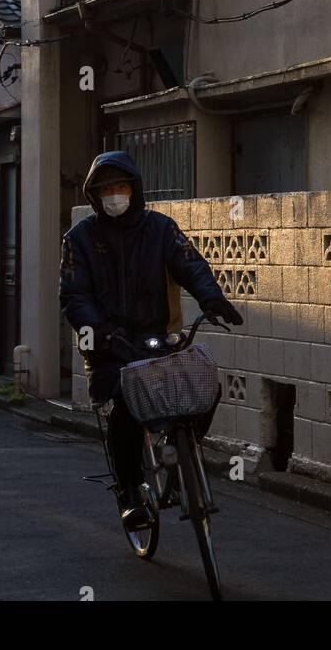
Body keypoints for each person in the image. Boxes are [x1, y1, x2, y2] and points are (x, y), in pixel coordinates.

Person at [59, 150, 243, 528]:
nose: (114, 194)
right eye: (106, 188)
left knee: (205, 385)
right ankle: (129, 490)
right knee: (126, 405)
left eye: (121, 186)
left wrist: (212, 297)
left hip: (160, 336)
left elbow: (189, 263)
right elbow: (74, 296)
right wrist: (104, 335)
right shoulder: (80, 239)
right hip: (109, 346)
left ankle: (181, 450)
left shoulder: (160, 228)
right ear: (94, 194)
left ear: (135, 188)